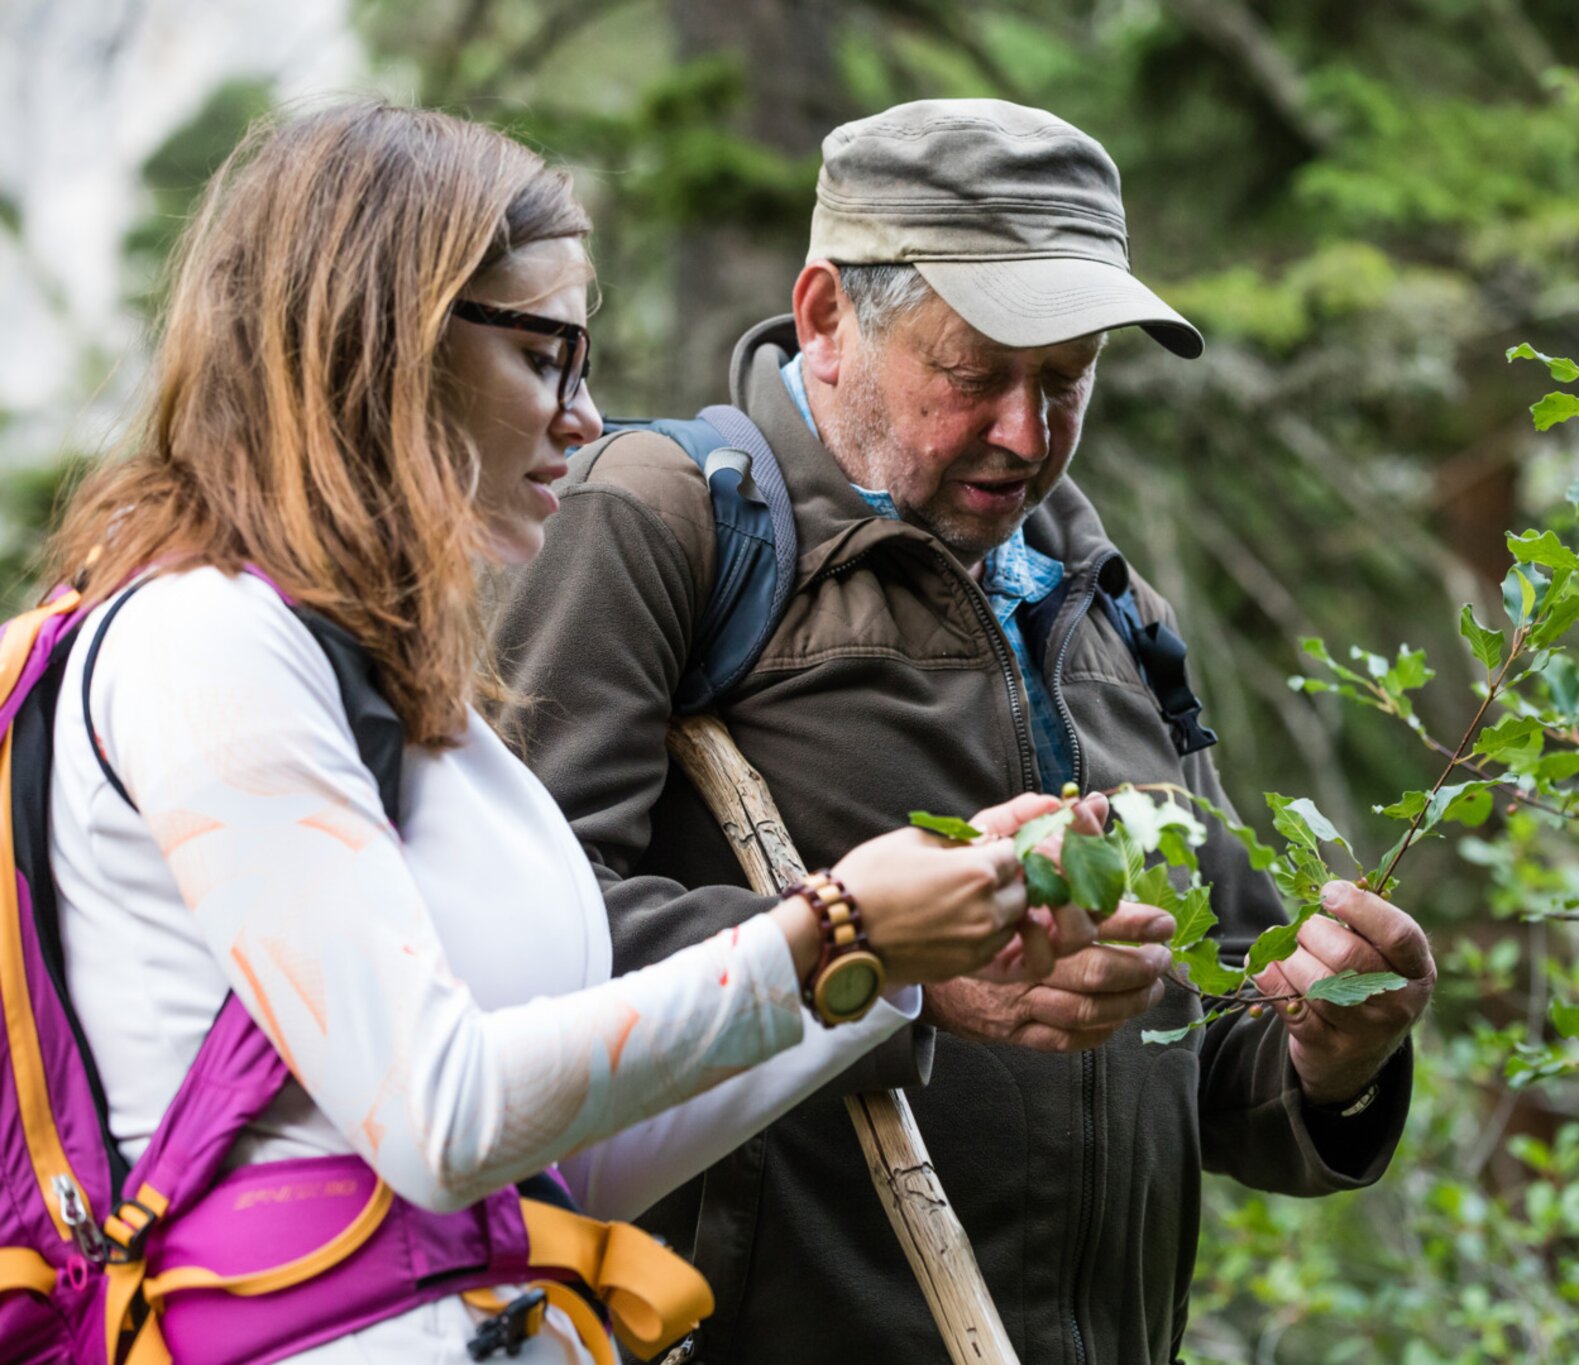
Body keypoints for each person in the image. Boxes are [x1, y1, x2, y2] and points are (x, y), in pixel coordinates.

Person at [36, 99, 1078, 1362]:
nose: (584, 419)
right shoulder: (202, 642)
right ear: (383, 342)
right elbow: (437, 1121)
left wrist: (890, 965)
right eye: (546, 359)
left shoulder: (424, 717)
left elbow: (568, 1173)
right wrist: (829, 930)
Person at [492, 98, 1438, 1364]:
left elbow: (1202, 1052)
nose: (1025, 435)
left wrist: (1331, 1051)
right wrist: (889, 971)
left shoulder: (1112, 608)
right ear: (827, 318)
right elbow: (519, 951)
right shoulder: (657, 525)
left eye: (1065, 381)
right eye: (975, 372)